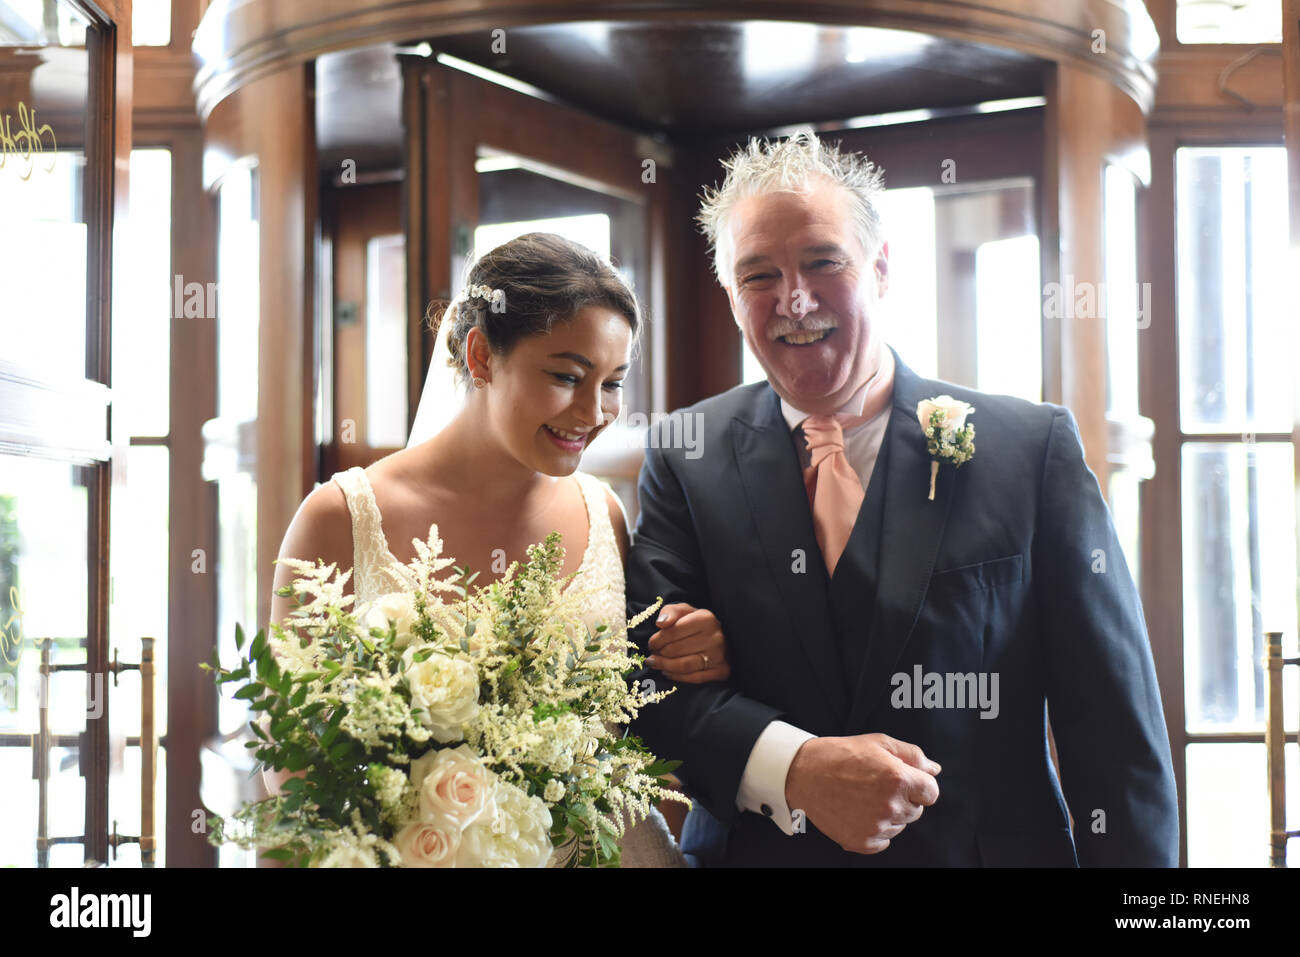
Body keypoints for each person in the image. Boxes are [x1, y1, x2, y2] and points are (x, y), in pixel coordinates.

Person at [626, 132, 1179, 866]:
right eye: (759, 275)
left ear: (881, 267)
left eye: (823, 262)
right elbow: (645, 696)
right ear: (730, 295)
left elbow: (1112, 732)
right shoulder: (682, 454)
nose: (794, 299)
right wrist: (795, 767)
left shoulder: (1029, 449)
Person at [269, 232, 731, 867]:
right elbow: (292, 757)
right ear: (481, 354)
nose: (594, 412)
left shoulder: (606, 515)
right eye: (567, 376)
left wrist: (693, 647)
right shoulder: (340, 520)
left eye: (613, 383)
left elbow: (639, 713)